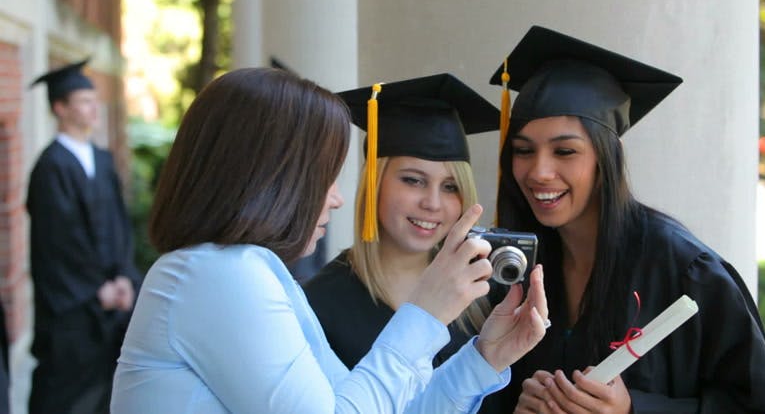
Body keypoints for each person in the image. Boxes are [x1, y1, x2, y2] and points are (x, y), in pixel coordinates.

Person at [110, 67, 550, 413]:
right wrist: (425, 315)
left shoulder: (254, 275)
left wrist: (484, 357)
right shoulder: (216, 274)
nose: (337, 199)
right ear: (270, 178)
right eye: (323, 177)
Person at [485, 25, 765, 413]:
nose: (538, 172)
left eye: (565, 151)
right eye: (523, 150)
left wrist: (634, 410)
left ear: (605, 158)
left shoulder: (686, 271)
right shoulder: (517, 269)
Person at [304, 73, 501, 371]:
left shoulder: (486, 293)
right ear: (375, 182)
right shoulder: (320, 304)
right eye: (413, 180)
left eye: (450, 187)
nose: (432, 203)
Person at [27, 59, 141, 414]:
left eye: (95, 100)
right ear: (60, 108)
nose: (95, 108)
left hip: (113, 299)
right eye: (84, 101)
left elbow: (120, 226)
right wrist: (95, 291)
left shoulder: (102, 160)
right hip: (74, 307)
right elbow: (56, 245)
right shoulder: (51, 167)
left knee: (108, 391)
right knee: (67, 395)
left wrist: (124, 276)